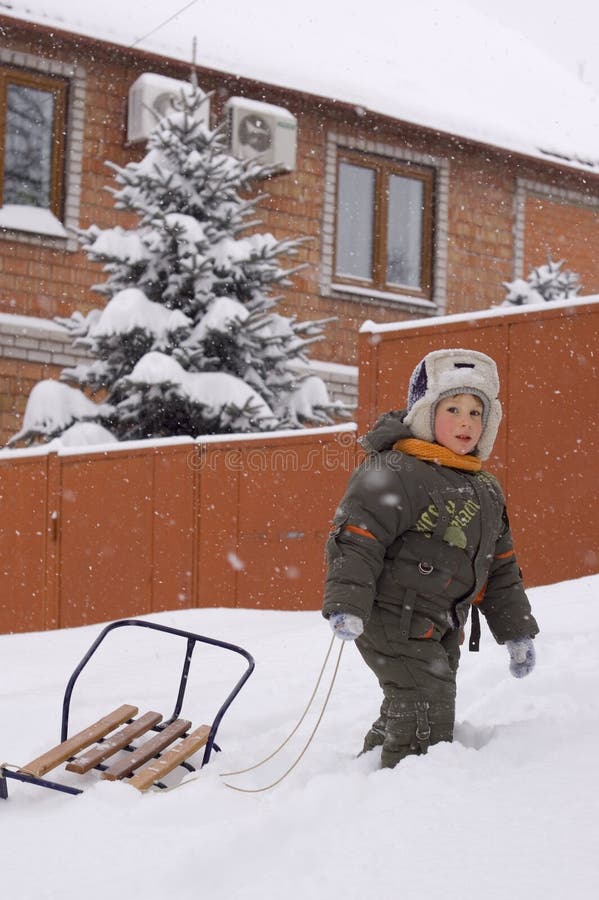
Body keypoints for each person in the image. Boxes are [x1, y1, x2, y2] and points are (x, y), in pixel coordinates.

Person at [322, 348, 539, 768]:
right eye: (452, 409)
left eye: (476, 413)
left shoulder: (486, 489)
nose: (465, 422)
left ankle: (368, 772)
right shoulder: (396, 470)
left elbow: (501, 568)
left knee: (413, 702)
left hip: (442, 623)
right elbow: (357, 538)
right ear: (425, 413)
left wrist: (516, 632)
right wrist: (347, 605)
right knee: (427, 703)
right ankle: (407, 789)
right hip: (390, 617)